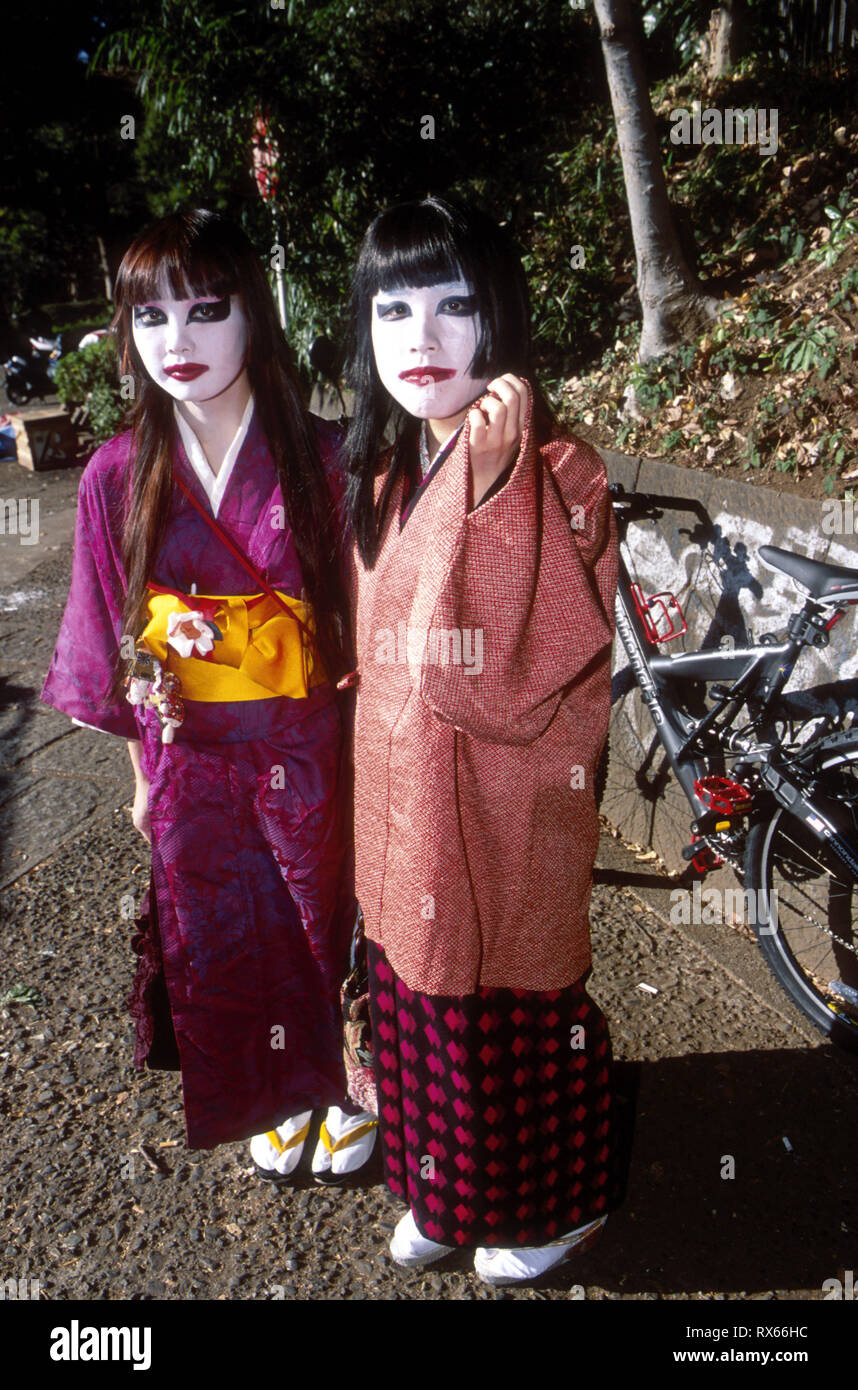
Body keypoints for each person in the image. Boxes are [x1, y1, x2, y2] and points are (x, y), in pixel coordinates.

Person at [42, 209, 376, 1180]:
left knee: (325, 914)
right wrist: (139, 775)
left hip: (309, 742)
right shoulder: (114, 474)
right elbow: (112, 635)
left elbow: (373, 608)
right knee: (230, 929)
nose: (178, 342)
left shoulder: (325, 457)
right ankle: (280, 1086)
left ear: (253, 318)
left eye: (207, 309)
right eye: (151, 318)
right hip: (186, 752)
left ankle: (352, 1080)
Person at [343, 194, 620, 1285]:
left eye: (455, 305)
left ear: (499, 320)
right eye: (393, 307)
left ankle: (562, 1206)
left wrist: (496, 489)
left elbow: (495, 682)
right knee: (415, 1003)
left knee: (508, 1019)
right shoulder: (383, 469)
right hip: (404, 800)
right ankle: (439, 1186)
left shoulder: (560, 471)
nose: (422, 337)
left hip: (506, 806)